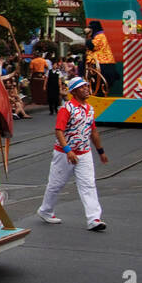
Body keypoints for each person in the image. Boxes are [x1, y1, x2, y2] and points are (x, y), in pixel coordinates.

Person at [38, 76, 108, 233]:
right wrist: (68, 151)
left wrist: (100, 151)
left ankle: (94, 219)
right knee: (56, 184)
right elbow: (59, 131)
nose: (86, 89)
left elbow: (93, 131)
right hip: (64, 154)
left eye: (87, 86)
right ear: (74, 91)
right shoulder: (67, 108)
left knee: (88, 184)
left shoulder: (90, 109)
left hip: (84, 153)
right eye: (82, 87)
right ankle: (45, 210)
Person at [85, 22, 117, 95]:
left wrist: (88, 37)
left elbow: (92, 46)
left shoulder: (100, 36)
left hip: (102, 64)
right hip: (104, 64)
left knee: (99, 85)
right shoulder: (99, 36)